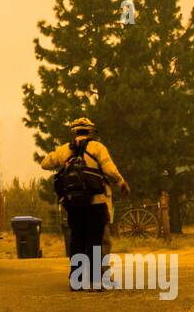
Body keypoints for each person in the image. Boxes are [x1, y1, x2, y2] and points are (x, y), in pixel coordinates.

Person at [41, 116, 129, 290]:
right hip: (97, 203)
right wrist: (121, 182)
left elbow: (44, 164)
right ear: (90, 131)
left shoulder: (65, 149)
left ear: (74, 132)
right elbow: (110, 170)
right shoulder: (97, 147)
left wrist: (65, 162)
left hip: (73, 205)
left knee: (77, 241)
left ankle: (76, 281)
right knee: (95, 242)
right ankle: (96, 282)